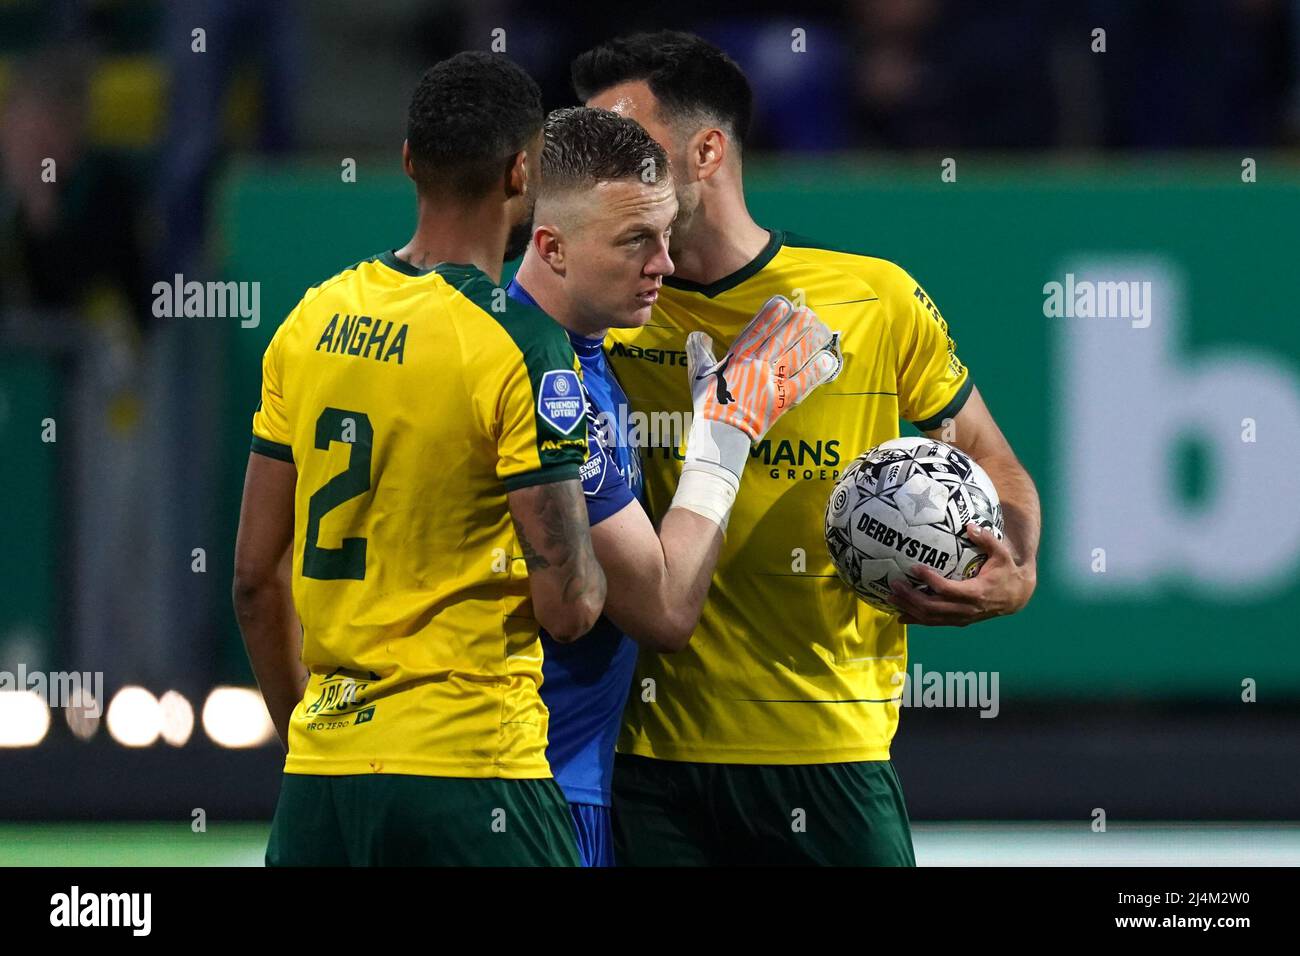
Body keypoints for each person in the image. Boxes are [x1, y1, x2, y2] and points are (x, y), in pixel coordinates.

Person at [573, 31, 1043, 866]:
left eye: (627, 146)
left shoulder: (874, 299)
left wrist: (1016, 569)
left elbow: (998, 465)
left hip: (833, 754)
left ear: (707, 150)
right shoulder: (595, 313)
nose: (602, 172)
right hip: (642, 760)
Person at [232, 52, 604, 866]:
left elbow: (255, 582)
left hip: (323, 782)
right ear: (522, 172)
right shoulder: (521, 341)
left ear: (408, 160)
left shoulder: (309, 322)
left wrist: (312, 736)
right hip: (474, 774)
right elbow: (569, 606)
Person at [507, 105, 842, 865]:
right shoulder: (550, 380)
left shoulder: (547, 348)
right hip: (541, 793)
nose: (663, 263)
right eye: (636, 242)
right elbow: (661, 608)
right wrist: (727, 436)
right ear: (551, 248)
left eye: (665, 234)